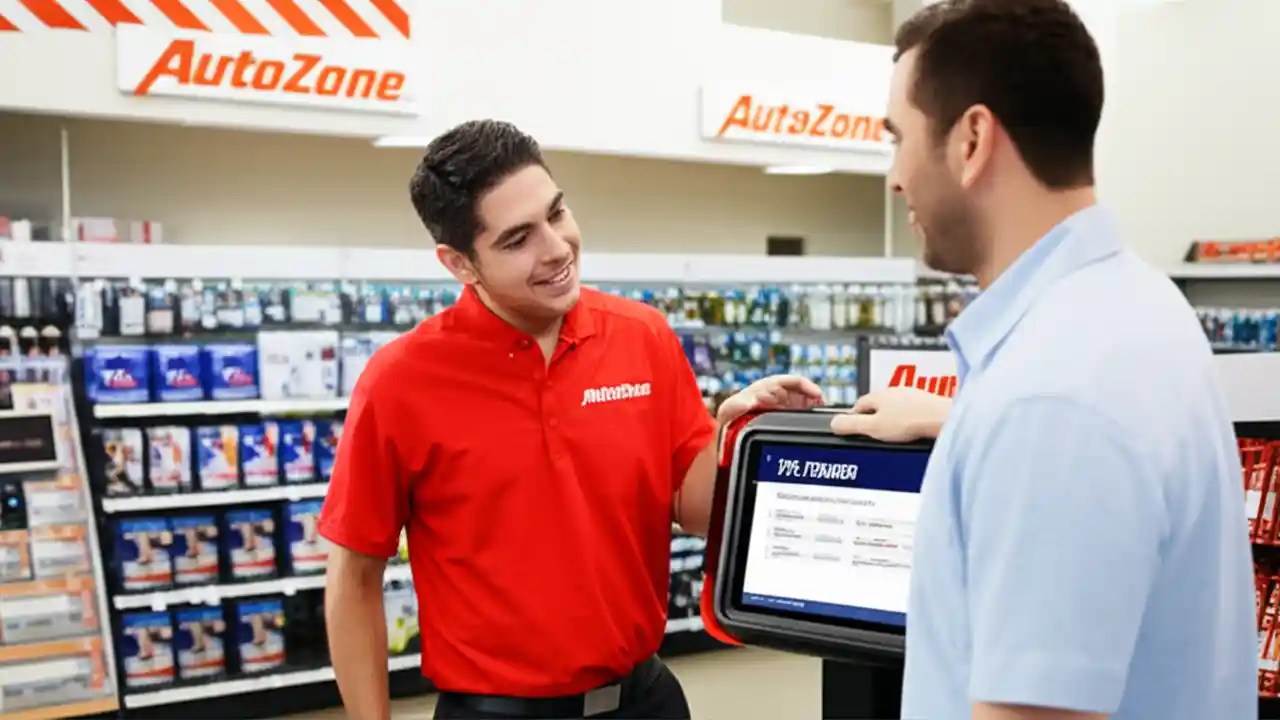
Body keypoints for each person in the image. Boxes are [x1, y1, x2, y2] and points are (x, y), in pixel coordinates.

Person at [317, 119, 822, 720]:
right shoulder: (401, 381)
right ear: (460, 263)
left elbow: (695, 511)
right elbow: (354, 577)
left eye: (557, 214)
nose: (557, 248)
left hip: (648, 701)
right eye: (517, 239)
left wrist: (735, 435)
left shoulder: (642, 337)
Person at [833, 1, 1256, 719]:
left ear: (971, 140)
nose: (894, 176)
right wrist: (968, 423)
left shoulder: (1049, 404)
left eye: (896, 138)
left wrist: (1007, 422)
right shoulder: (1134, 309)